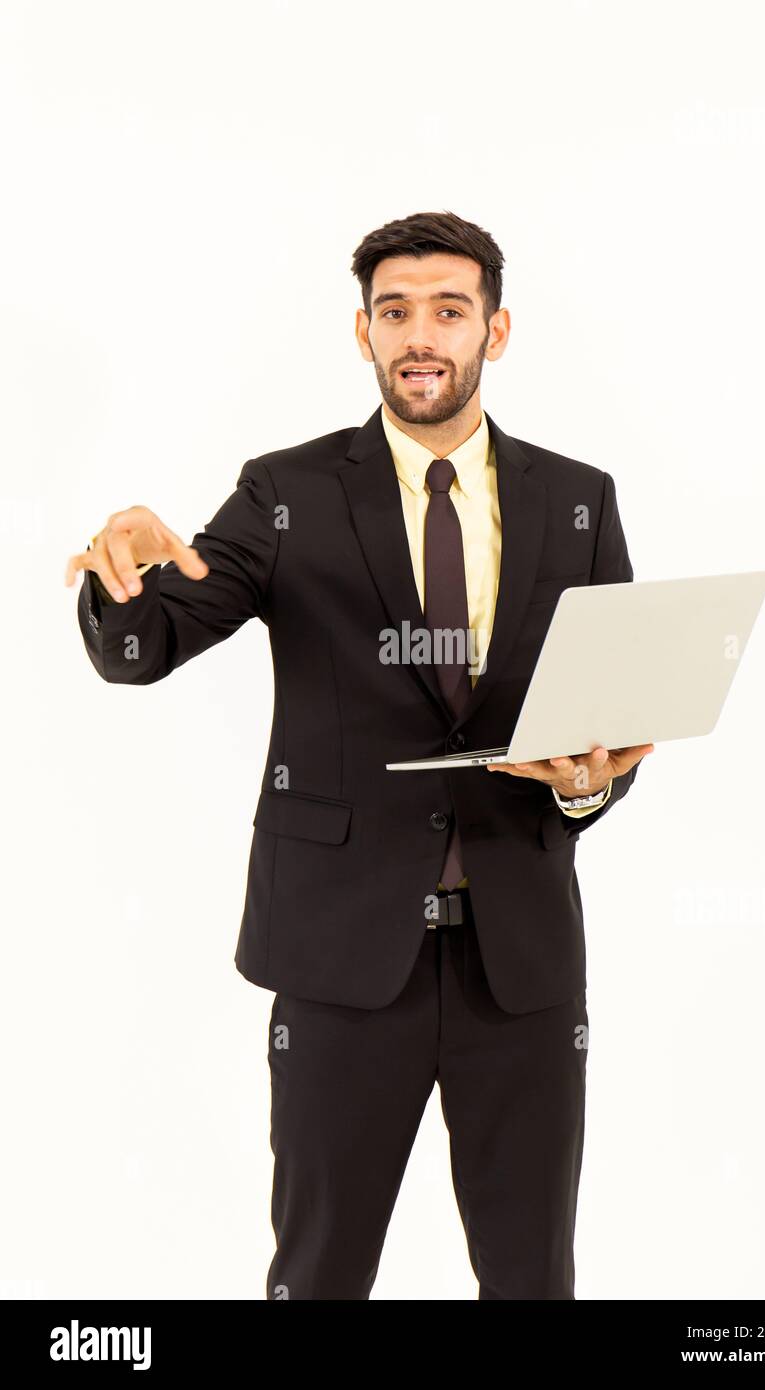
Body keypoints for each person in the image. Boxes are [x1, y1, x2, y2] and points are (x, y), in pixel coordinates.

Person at [66, 209, 652, 1300]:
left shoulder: (577, 502)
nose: (419, 336)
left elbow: (606, 727)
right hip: (341, 964)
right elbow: (147, 650)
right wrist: (126, 580)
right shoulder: (287, 495)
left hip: (516, 966)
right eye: (395, 313)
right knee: (320, 1272)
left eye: (447, 310)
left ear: (497, 328)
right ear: (361, 332)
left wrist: (586, 786)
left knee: (533, 1278)